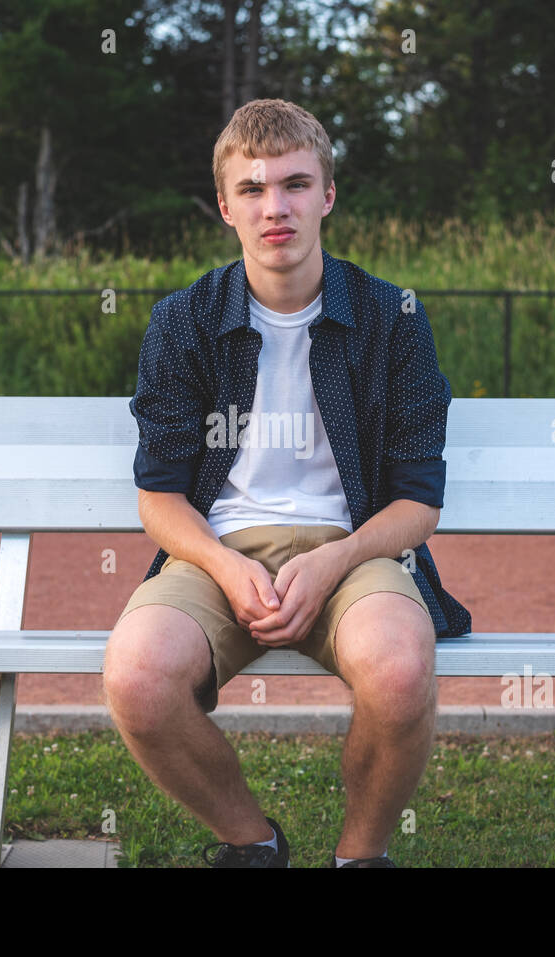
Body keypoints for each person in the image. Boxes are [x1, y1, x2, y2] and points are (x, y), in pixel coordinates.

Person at [103, 98, 471, 868]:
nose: (276, 207)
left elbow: (418, 501)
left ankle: (358, 856)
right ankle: (253, 842)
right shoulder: (183, 322)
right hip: (219, 552)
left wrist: (333, 561)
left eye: (296, 184)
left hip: (354, 551)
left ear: (328, 195)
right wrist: (229, 567)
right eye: (254, 188)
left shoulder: (392, 317)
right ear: (225, 205)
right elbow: (159, 496)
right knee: (136, 676)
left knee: (402, 668)